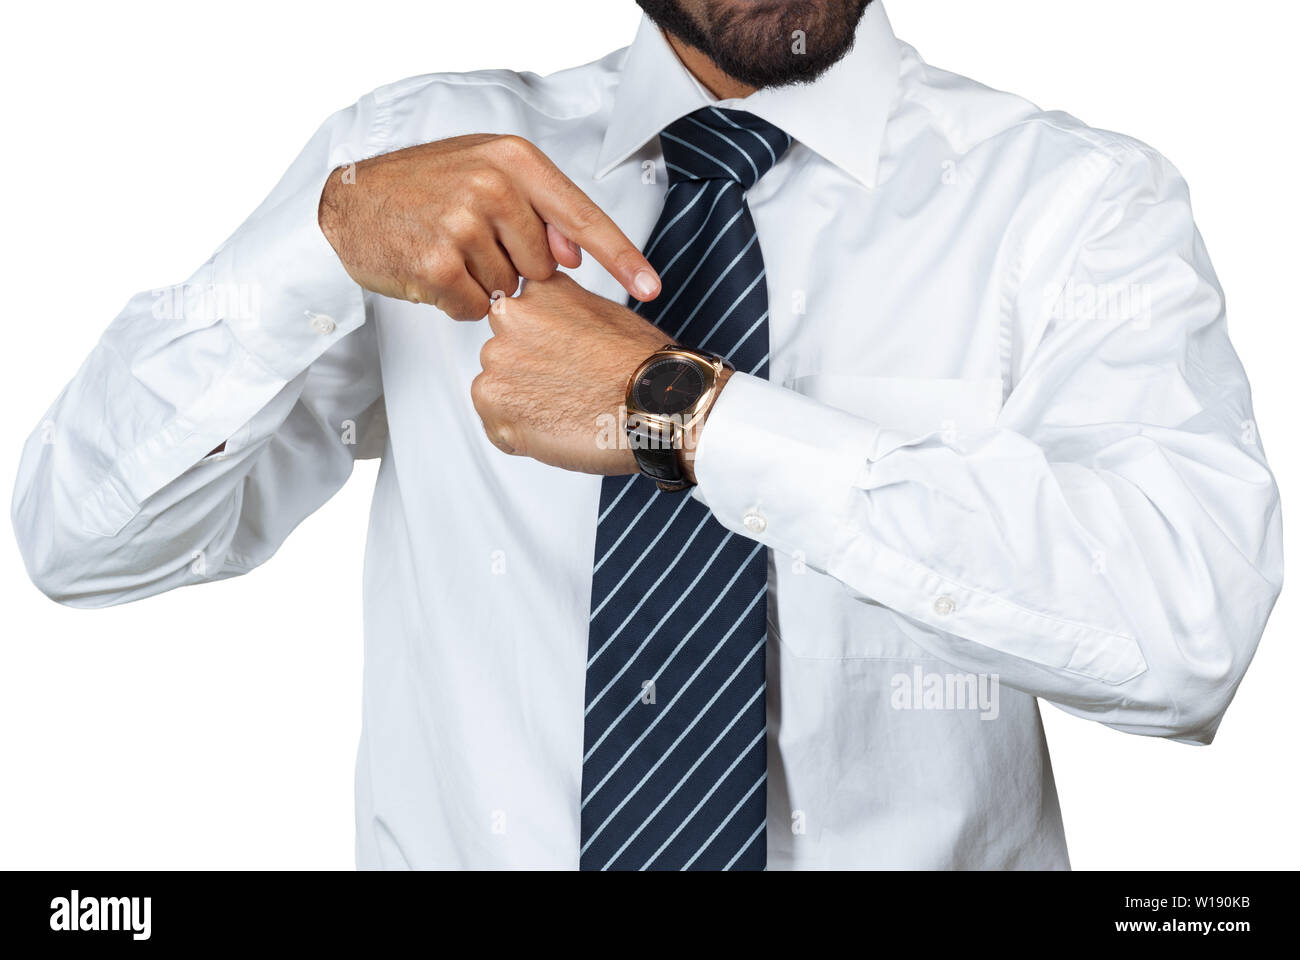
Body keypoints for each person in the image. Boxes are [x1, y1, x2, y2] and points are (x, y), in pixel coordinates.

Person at [12, 0, 1283, 870]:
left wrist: (687, 413)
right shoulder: (419, 164)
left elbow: (1183, 633)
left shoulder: (1074, 203)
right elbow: (85, 542)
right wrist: (321, 233)